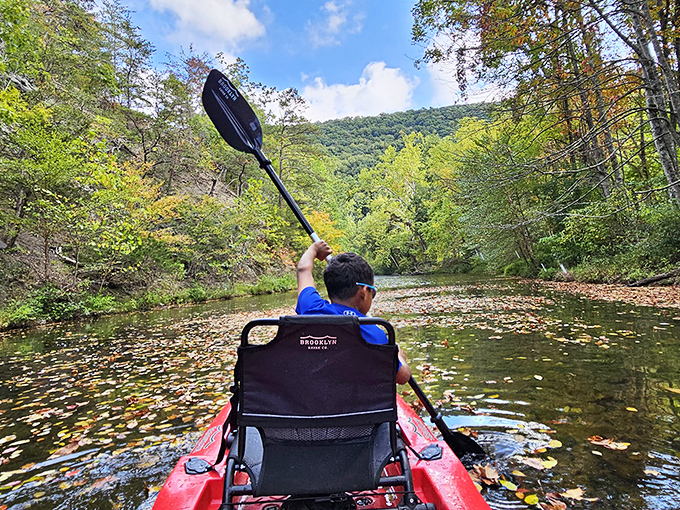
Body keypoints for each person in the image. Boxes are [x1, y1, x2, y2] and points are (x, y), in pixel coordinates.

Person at [296, 240, 412, 385]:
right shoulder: (374, 333)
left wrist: (314, 249)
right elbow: (402, 377)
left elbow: (303, 270)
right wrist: (399, 355)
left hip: (314, 402)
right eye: (373, 292)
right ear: (363, 292)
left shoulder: (311, 308)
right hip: (359, 404)